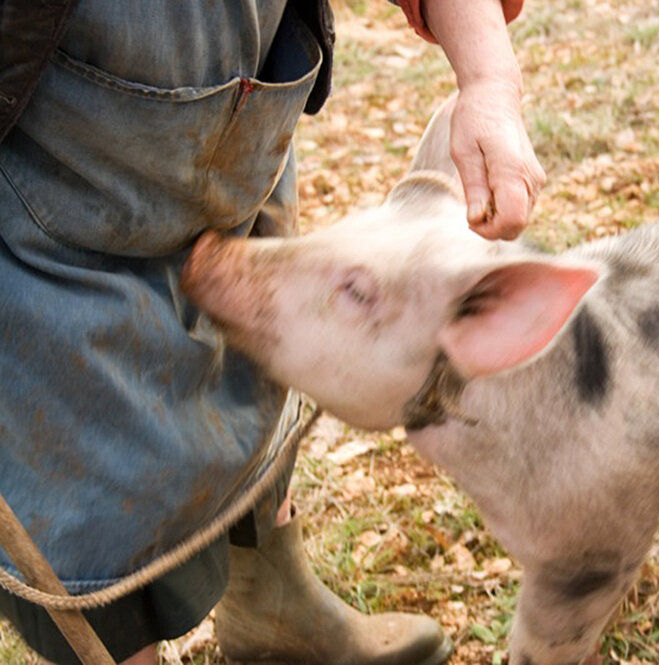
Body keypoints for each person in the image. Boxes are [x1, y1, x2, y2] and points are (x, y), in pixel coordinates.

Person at [0, 0, 545, 663]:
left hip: (240, 109)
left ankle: (274, 605)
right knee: (82, 449)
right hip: (51, 146)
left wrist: (489, 80)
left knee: (265, 354)